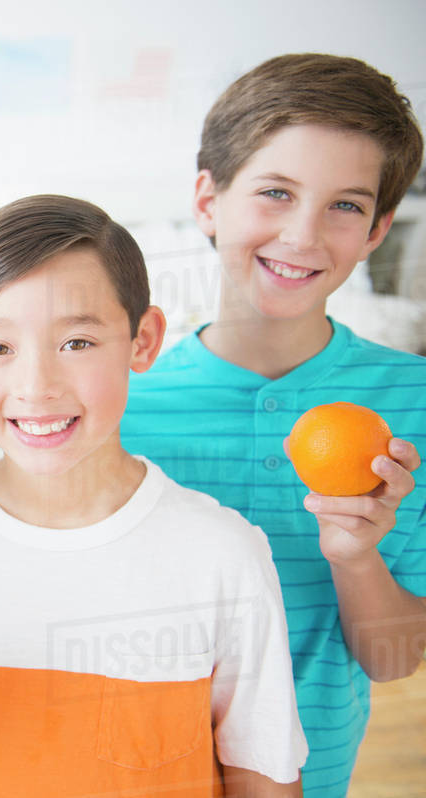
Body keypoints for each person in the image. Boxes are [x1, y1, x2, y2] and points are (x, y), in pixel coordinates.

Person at [0, 195, 308, 797]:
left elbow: (264, 778)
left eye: (77, 343)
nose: (36, 386)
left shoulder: (225, 556)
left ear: (143, 340)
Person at [119, 53, 426, 797]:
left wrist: (356, 554)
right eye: (275, 193)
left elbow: (393, 662)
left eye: (345, 206)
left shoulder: (411, 399)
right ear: (208, 199)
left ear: (379, 228)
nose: (302, 235)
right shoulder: (124, 403)